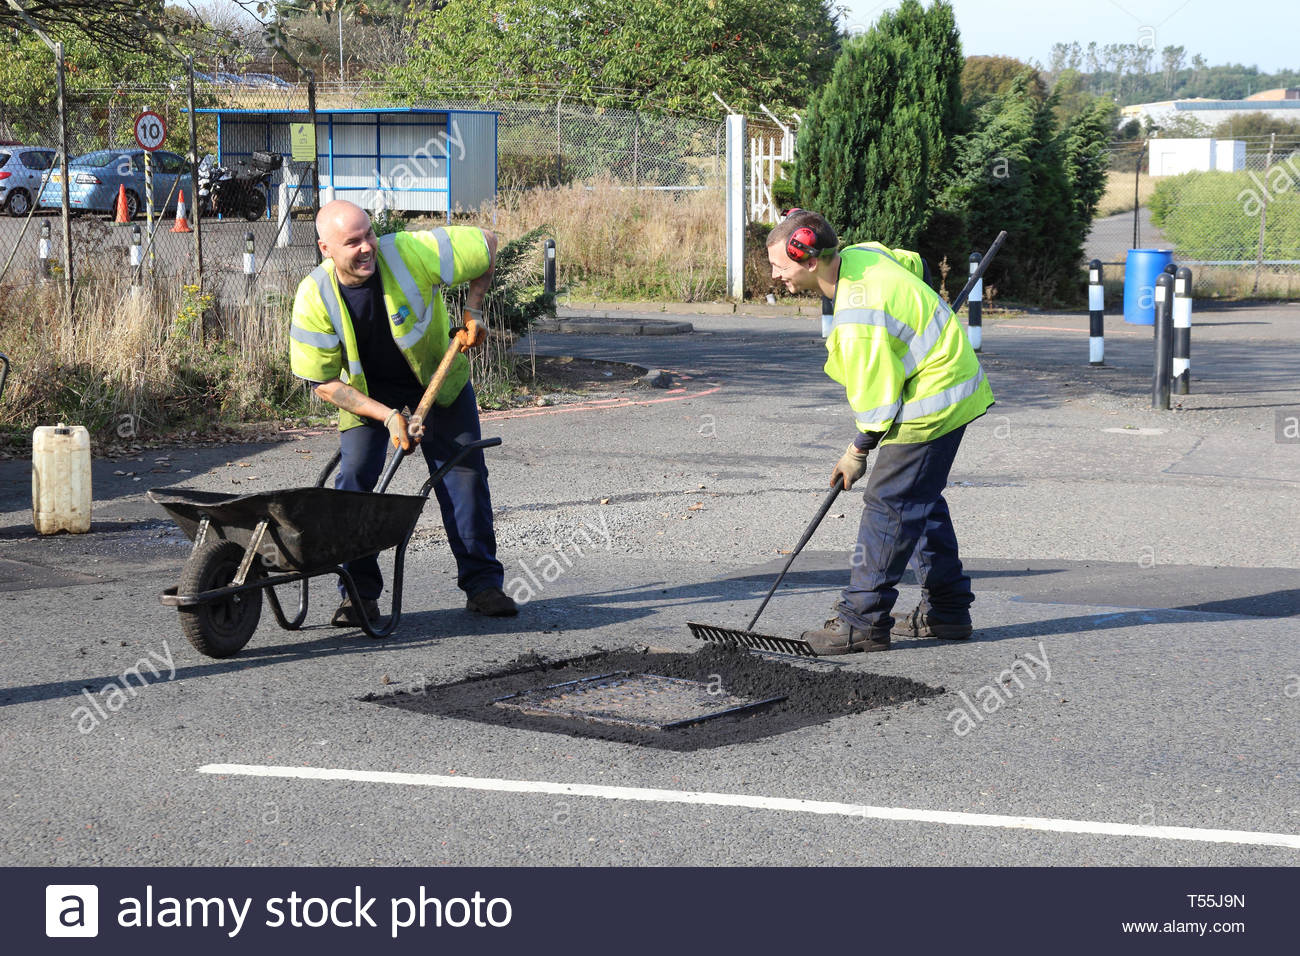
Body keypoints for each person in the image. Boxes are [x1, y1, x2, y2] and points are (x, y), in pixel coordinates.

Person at [766, 209, 994, 655]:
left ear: (809, 259)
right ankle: (947, 612)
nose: (775, 276)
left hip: (934, 398)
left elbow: (877, 406)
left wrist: (857, 451)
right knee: (917, 499)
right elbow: (913, 263)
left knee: (889, 504)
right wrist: (924, 304)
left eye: (780, 266)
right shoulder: (864, 254)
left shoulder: (859, 318)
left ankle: (861, 622)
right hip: (945, 383)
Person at [289, 200, 517, 626]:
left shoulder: (408, 252)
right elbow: (323, 383)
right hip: (367, 396)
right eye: (352, 242)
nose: (366, 247)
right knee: (354, 482)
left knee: (463, 476)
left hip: (438, 381)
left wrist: (475, 309)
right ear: (325, 248)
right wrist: (388, 417)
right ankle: (358, 596)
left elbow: (487, 243)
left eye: (369, 234)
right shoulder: (313, 296)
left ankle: (483, 584)